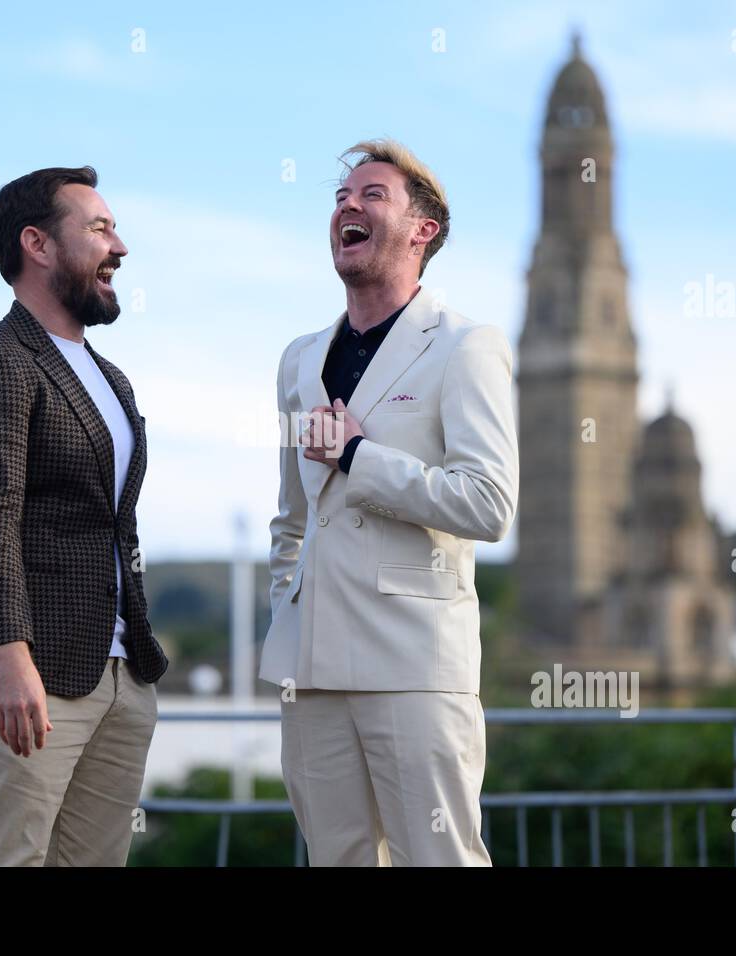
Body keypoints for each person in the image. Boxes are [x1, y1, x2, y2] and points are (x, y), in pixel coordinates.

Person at [261, 139, 519, 866]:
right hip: (310, 672)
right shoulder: (299, 359)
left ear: (422, 229)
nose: (348, 204)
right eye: (342, 195)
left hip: (415, 663)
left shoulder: (467, 346)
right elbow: (292, 518)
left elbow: (490, 503)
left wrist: (358, 456)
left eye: (372, 195)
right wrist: (290, 601)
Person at [0, 166, 166, 866]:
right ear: (36, 244)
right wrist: (10, 661)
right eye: (98, 228)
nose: (119, 246)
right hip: (31, 677)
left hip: (121, 677)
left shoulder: (111, 378)